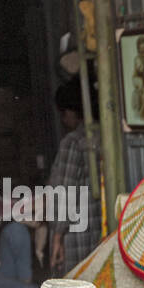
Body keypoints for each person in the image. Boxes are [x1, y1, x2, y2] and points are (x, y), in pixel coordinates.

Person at [47, 79, 102, 276]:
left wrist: (57, 237)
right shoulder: (104, 136)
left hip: (77, 237)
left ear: (70, 112)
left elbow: (65, 192)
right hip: (98, 232)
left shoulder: (72, 142)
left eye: (63, 114)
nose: (63, 120)